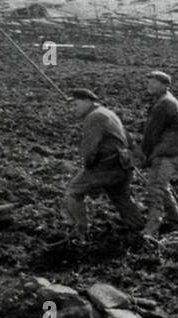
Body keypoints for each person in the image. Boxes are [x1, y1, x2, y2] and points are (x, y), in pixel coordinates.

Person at [62, 87, 144, 242]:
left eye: (76, 104)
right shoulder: (107, 112)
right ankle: (138, 229)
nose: (73, 109)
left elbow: (89, 149)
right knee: (121, 197)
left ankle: (80, 233)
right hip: (122, 164)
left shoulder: (94, 117)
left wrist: (87, 168)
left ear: (87, 101)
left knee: (72, 193)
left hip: (106, 166)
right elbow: (128, 138)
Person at [139, 70, 178, 239]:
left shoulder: (163, 105)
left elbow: (151, 134)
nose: (150, 85)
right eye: (149, 82)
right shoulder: (165, 101)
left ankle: (151, 230)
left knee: (155, 189)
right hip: (171, 150)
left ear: (165, 86)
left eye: (154, 83)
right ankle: (175, 222)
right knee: (162, 187)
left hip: (166, 152)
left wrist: (143, 156)